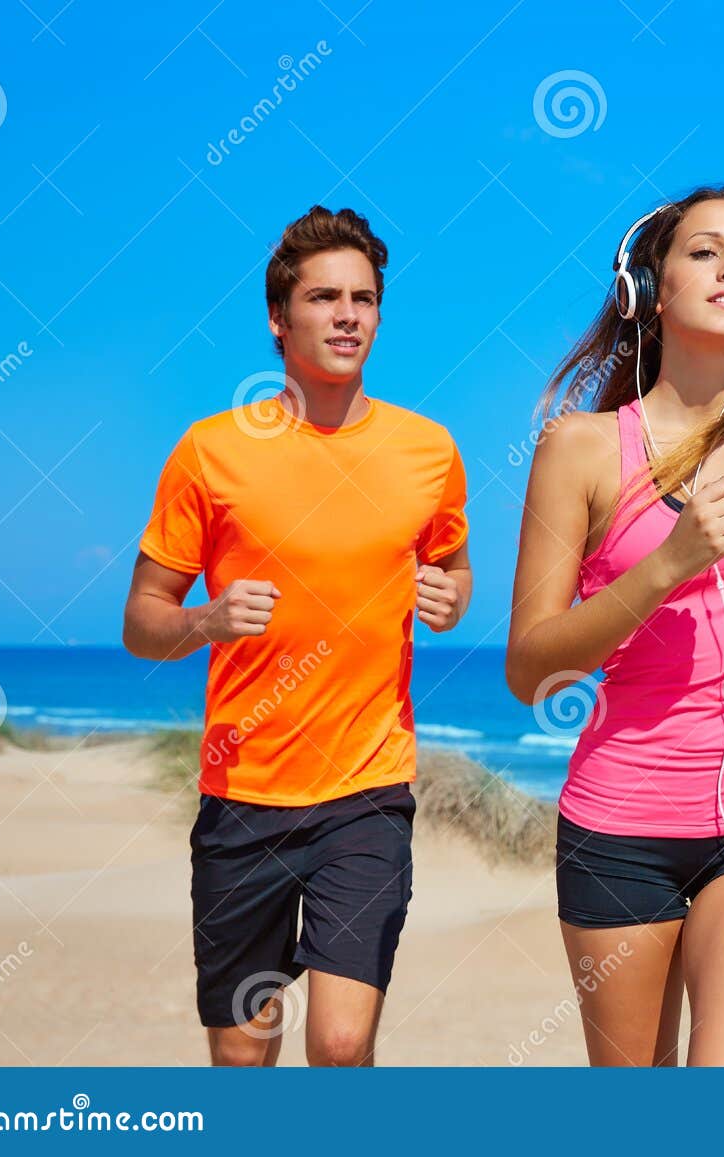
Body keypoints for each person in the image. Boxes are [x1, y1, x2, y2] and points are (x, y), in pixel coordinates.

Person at [506, 185, 724, 1066]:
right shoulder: (579, 449)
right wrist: (669, 562)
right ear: (649, 289)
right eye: (705, 250)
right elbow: (531, 668)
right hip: (621, 825)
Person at [121, 205, 473, 1066]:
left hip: (368, 790)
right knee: (245, 1052)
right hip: (244, 795)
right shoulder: (211, 452)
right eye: (324, 297)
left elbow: (456, 573)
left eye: (364, 298)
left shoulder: (428, 451)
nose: (348, 314)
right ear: (280, 319)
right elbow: (141, 621)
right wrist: (206, 618)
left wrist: (450, 598)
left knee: (344, 1042)